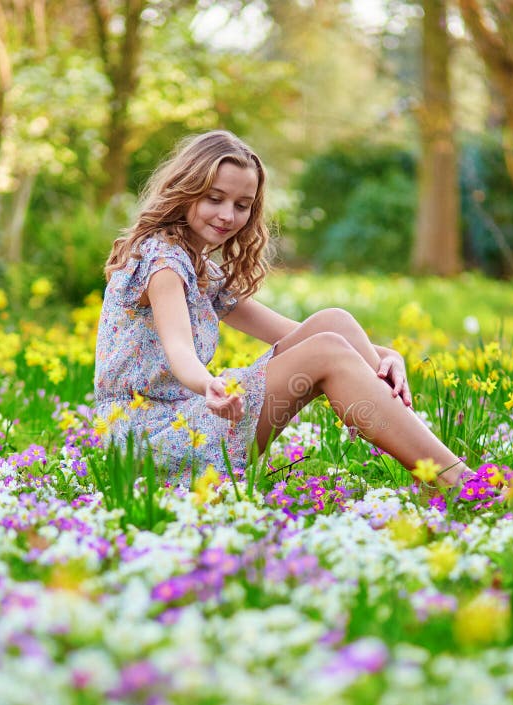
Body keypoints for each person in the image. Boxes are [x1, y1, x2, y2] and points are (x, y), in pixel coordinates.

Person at [94, 130, 471, 487]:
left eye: (241, 205)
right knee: (328, 350)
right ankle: (459, 482)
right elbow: (179, 349)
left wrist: (389, 357)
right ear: (186, 191)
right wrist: (207, 384)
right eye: (214, 198)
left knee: (334, 322)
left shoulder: (200, 269)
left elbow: (293, 333)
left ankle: (437, 471)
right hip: (145, 444)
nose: (228, 215)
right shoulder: (162, 261)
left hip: (187, 421)